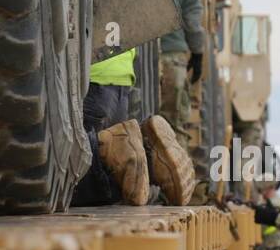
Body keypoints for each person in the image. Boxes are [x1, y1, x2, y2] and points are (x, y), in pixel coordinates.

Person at [71, 48, 196, 206]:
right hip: (121, 78)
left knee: (71, 181)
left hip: (90, 75)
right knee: (113, 173)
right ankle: (150, 161)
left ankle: (114, 150)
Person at [157, 0, 206, 156]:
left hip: (132, 61)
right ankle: (176, 185)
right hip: (172, 62)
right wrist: (197, 52)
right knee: (174, 130)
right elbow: (192, 15)